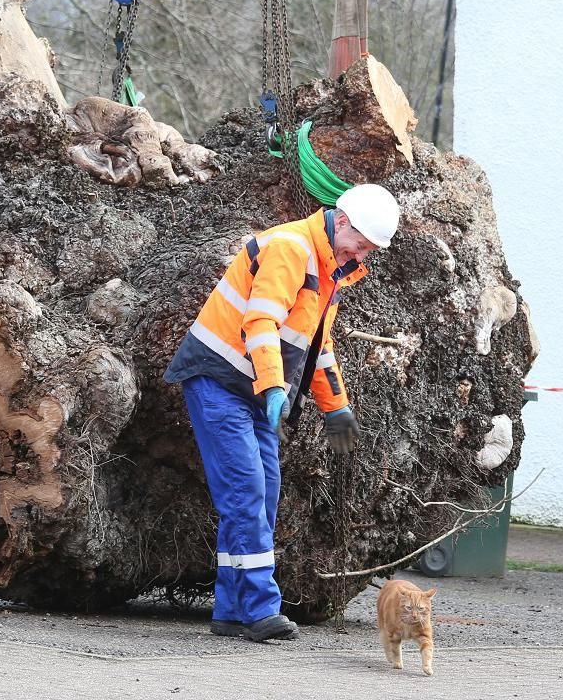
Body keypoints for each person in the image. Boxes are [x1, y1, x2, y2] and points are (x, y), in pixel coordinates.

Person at [164, 184, 400, 642]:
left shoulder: (330, 268)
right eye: (361, 244)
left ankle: (232, 610)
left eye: (370, 250)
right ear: (342, 222)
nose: (362, 255)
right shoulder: (291, 248)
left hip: (253, 390)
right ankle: (260, 610)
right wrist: (274, 386)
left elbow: (317, 347)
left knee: (264, 492)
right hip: (219, 379)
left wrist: (337, 409)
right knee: (246, 491)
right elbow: (260, 321)